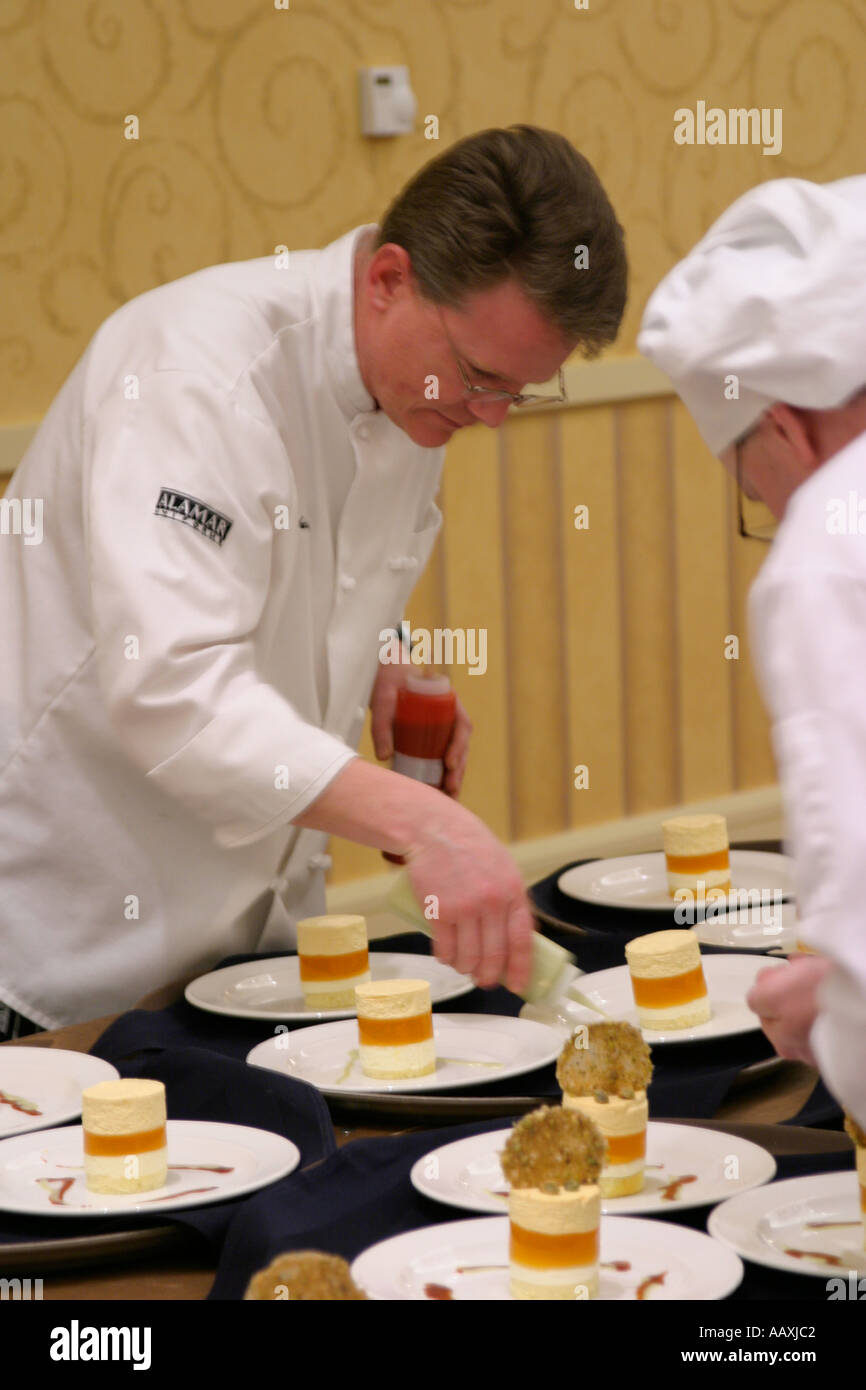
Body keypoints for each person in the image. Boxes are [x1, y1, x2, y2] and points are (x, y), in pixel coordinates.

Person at [0, 125, 627, 1033]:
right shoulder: (197, 378)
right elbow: (175, 690)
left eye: (519, 393)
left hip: (244, 939)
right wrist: (423, 825)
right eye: (481, 377)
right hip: (65, 936)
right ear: (388, 281)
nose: (489, 417)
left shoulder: (414, 384)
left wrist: (385, 659)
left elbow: (315, 556)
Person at [638, 174, 866, 1126]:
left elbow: (860, 911)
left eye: (750, 482)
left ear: (781, 423)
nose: (770, 509)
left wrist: (835, 1012)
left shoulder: (829, 549)